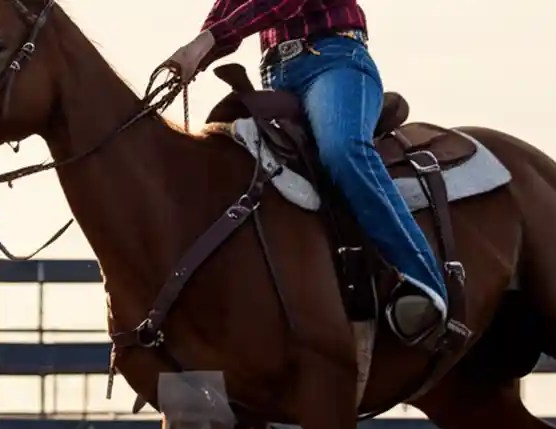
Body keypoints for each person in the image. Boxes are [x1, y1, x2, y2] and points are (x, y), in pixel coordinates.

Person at [165, 0, 452, 347]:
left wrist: (205, 42)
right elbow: (227, 9)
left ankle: (426, 284)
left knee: (342, 150)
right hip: (275, 73)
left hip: (334, 59)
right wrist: (194, 55)